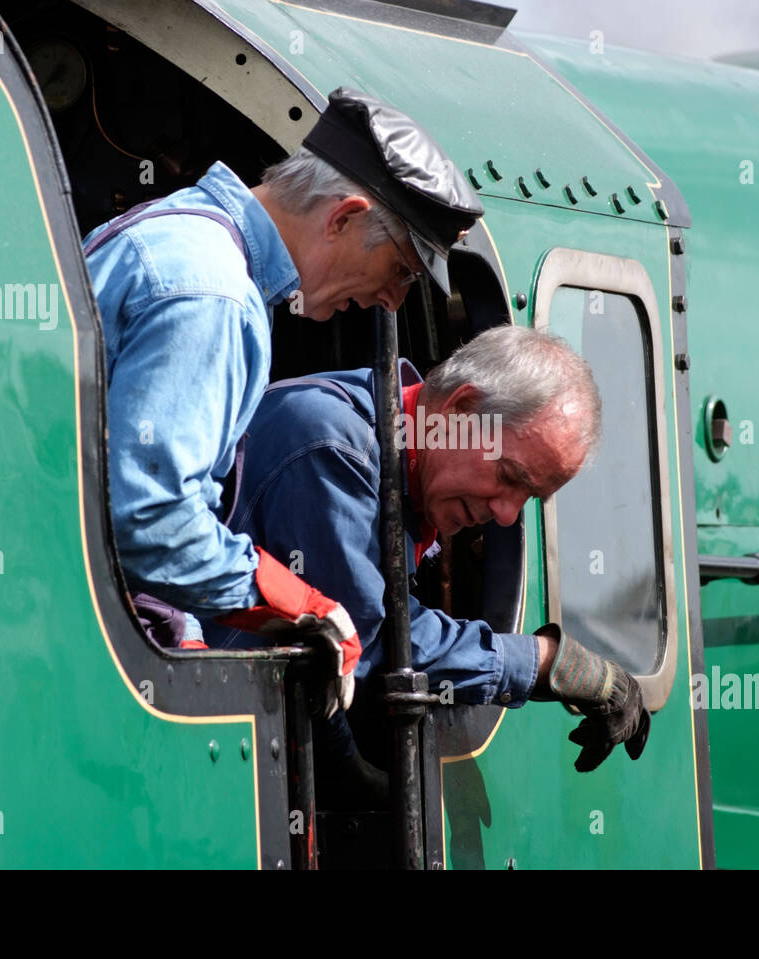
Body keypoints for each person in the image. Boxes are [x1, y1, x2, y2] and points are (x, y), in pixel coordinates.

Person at [83, 88, 483, 716]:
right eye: (402, 269)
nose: (393, 300)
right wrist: (301, 603)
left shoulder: (177, 233)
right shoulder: (212, 294)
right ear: (344, 217)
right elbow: (149, 519)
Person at [205, 326, 651, 775]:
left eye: (528, 498)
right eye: (510, 477)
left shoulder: (394, 450)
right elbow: (366, 641)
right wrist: (543, 661)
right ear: (460, 412)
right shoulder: (332, 443)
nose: (506, 514)